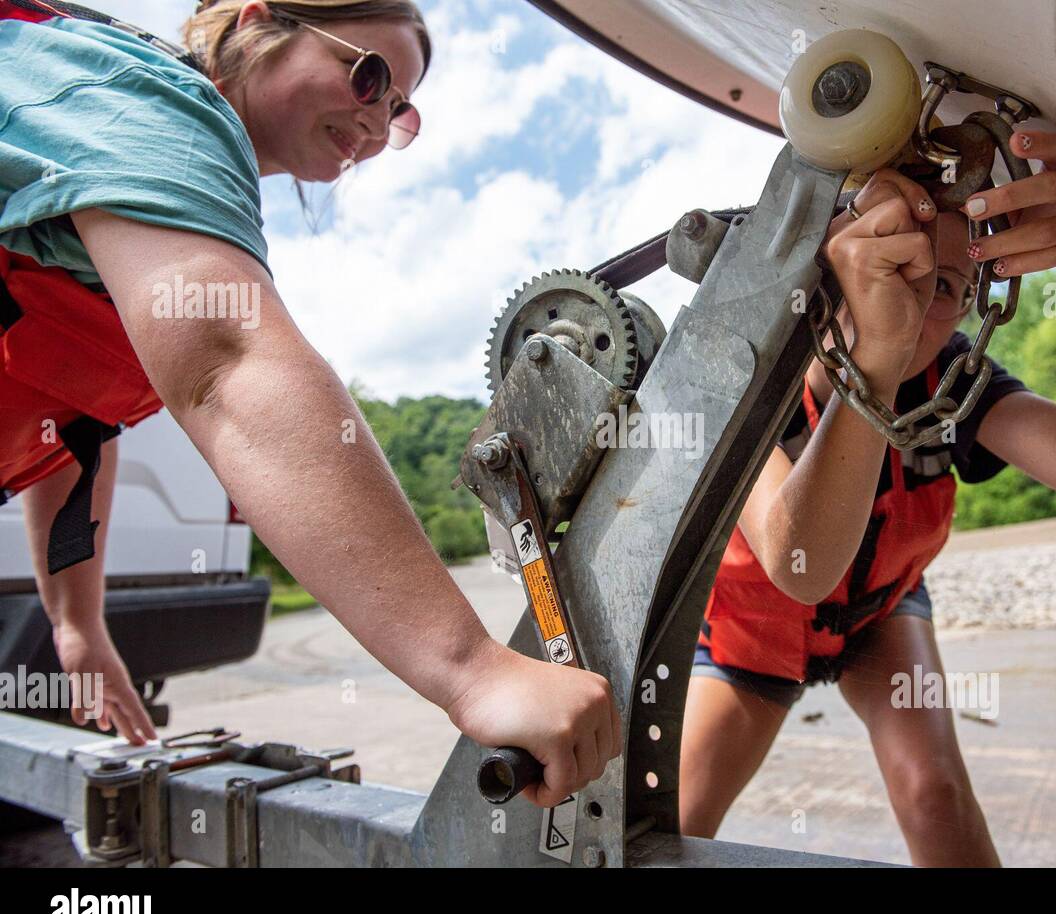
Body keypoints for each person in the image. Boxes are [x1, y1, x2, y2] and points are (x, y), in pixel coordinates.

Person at [0, 0, 618, 807]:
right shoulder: (146, 95)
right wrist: (473, 667)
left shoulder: (145, 210)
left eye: (398, 108)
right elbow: (230, 369)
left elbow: (74, 430)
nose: (376, 117)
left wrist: (74, 626)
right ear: (261, 23)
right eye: (367, 74)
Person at [679, 133, 1056, 865]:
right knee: (680, 822)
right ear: (830, 254)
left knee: (934, 793)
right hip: (758, 632)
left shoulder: (950, 382)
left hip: (879, 615)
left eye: (945, 288)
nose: (910, 295)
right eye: (894, 258)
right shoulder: (742, 376)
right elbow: (798, 562)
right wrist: (876, 355)